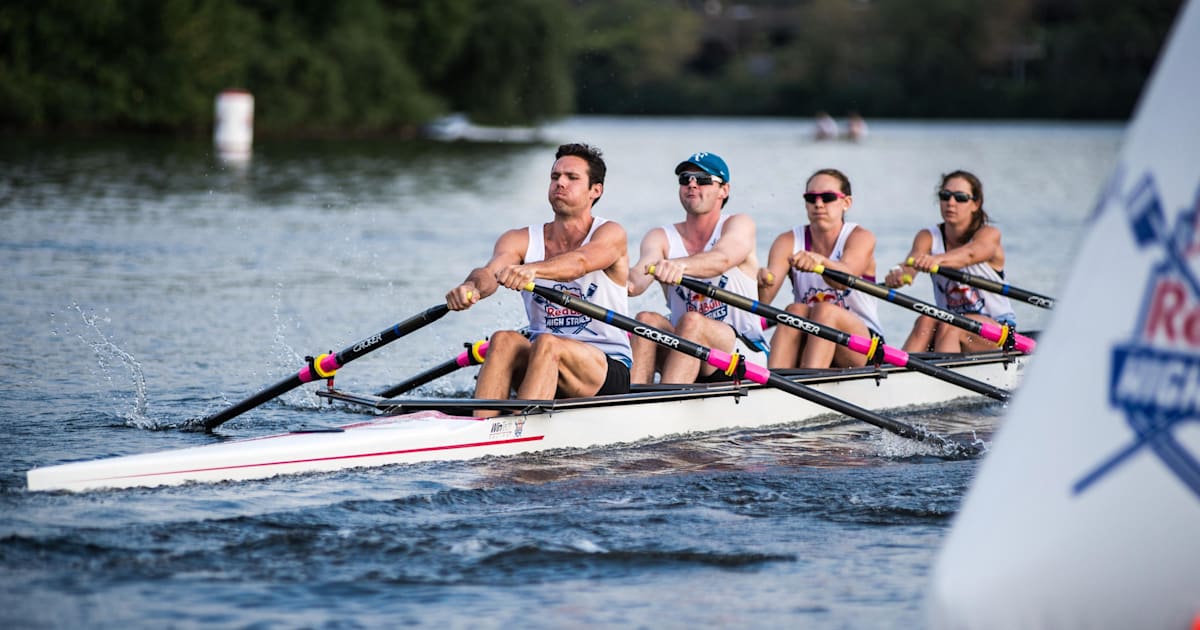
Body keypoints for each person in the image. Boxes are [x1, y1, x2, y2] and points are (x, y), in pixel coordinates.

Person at [444, 143, 632, 416]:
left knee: (547, 343)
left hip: (604, 368)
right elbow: (489, 273)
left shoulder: (611, 234)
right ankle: (481, 428)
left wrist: (533, 270)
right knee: (504, 339)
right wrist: (471, 287)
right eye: (555, 177)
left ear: (596, 191)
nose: (560, 184)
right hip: (542, 361)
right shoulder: (519, 239)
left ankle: (518, 433)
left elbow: (580, 262)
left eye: (572, 178)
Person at [627, 152, 767, 384]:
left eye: (702, 179)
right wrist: (616, 277)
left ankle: (666, 404)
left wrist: (678, 265)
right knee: (645, 320)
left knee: (692, 321)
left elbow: (721, 259)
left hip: (742, 351)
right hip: (686, 348)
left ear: (724, 190)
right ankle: (630, 402)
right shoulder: (660, 236)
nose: (692, 184)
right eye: (685, 178)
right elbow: (636, 281)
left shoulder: (738, 224)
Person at [757, 168, 885, 369]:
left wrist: (820, 263)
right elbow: (763, 302)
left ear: (846, 203)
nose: (818, 204)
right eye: (811, 198)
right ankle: (774, 384)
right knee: (794, 310)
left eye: (827, 197)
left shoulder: (861, 237)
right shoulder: (787, 241)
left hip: (861, 346)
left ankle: (808, 380)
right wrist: (763, 283)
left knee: (825, 311)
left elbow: (843, 280)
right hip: (809, 336)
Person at [884, 170, 1016, 353]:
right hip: (949, 324)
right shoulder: (928, 237)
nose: (950, 203)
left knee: (952, 324)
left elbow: (969, 255)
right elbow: (910, 265)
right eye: (945, 196)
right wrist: (899, 273)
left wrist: (935, 260)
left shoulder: (989, 235)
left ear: (975, 204)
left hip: (998, 330)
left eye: (960, 197)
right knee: (926, 319)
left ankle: (941, 378)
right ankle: (895, 375)